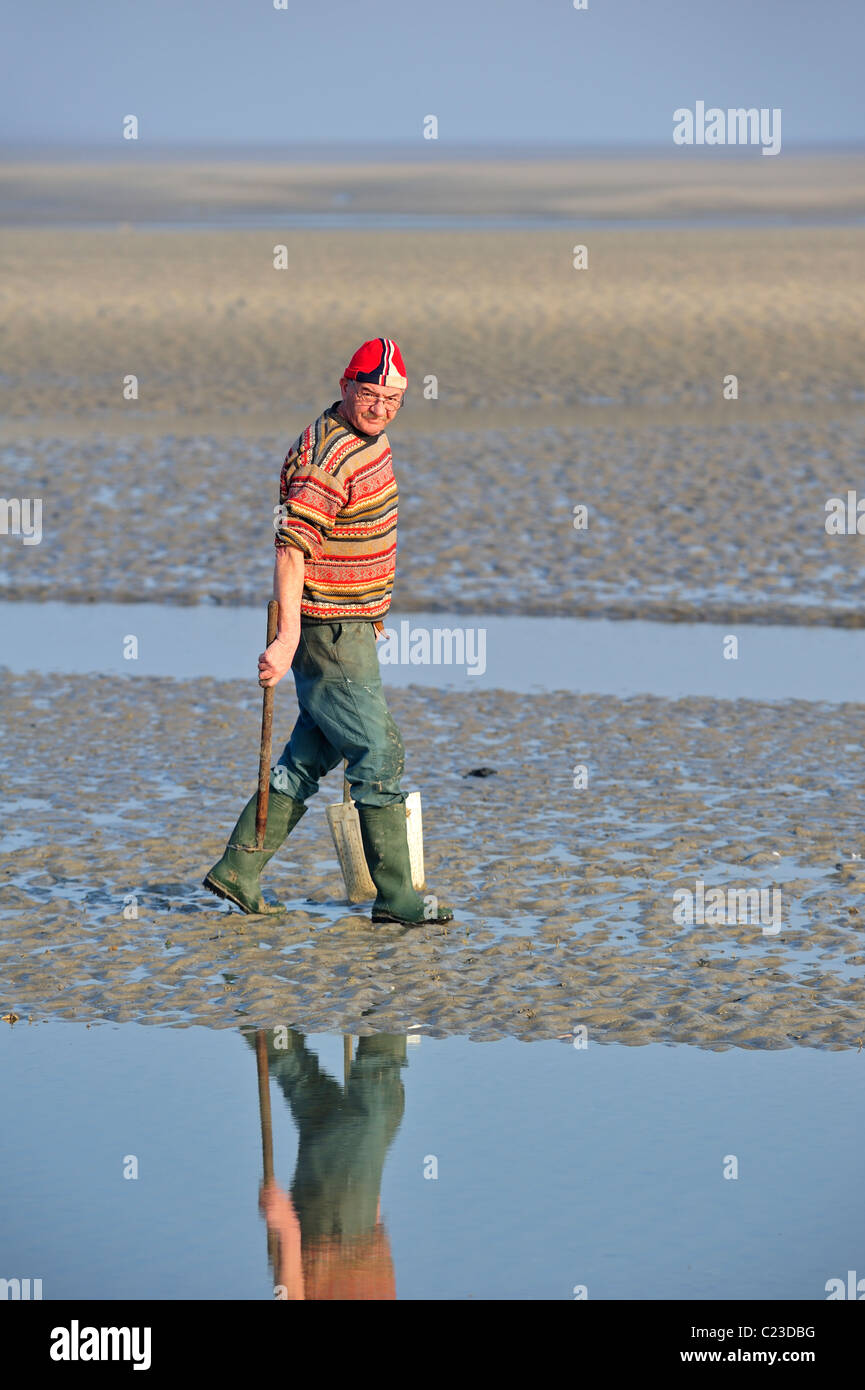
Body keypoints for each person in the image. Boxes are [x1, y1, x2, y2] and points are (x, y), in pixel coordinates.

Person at [203, 338, 453, 926]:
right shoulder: (328, 458)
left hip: (353, 623)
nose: (382, 408)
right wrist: (287, 639)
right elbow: (291, 549)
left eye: (393, 399)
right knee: (377, 752)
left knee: (309, 754)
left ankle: (239, 869)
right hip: (329, 630)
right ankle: (396, 900)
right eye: (370, 395)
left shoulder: (362, 434)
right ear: (346, 387)